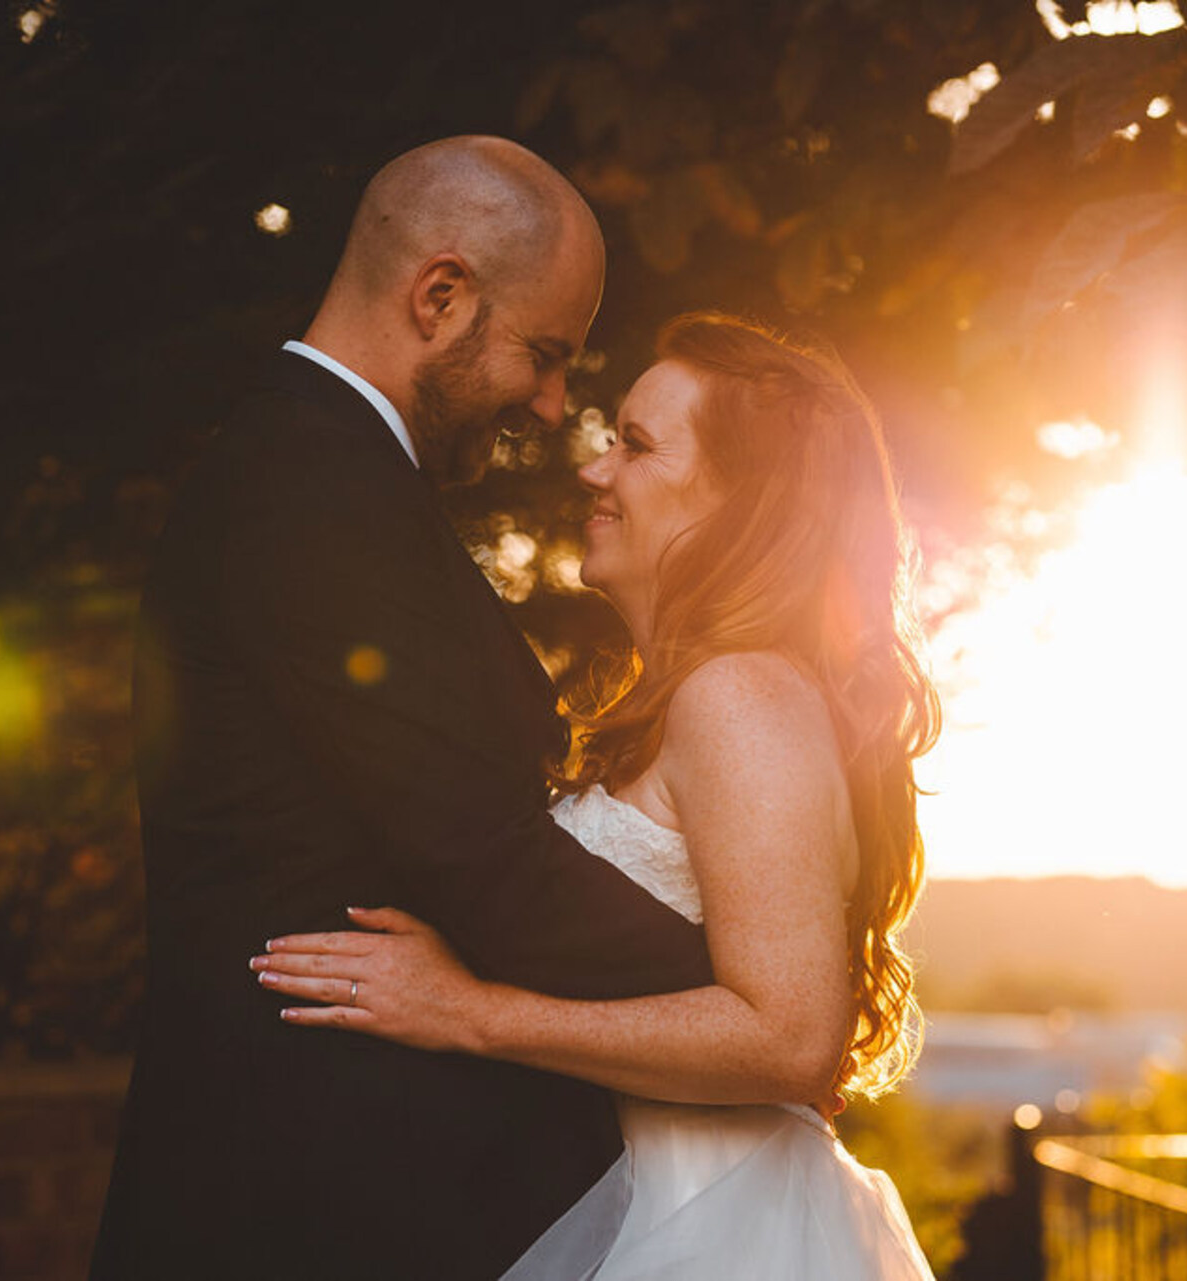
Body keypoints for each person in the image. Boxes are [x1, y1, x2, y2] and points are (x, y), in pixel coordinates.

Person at [89, 138, 716, 1280]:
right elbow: (488, 861)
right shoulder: (313, 489)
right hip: (307, 1203)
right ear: (441, 295)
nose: (551, 400)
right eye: (543, 353)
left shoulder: (332, 476)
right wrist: (762, 1006)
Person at [251, 313, 943, 1278]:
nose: (593, 469)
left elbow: (790, 1036)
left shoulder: (740, 694)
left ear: (740, 503)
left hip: (711, 1224)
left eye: (638, 445)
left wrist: (472, 1011)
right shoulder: (704, 698)